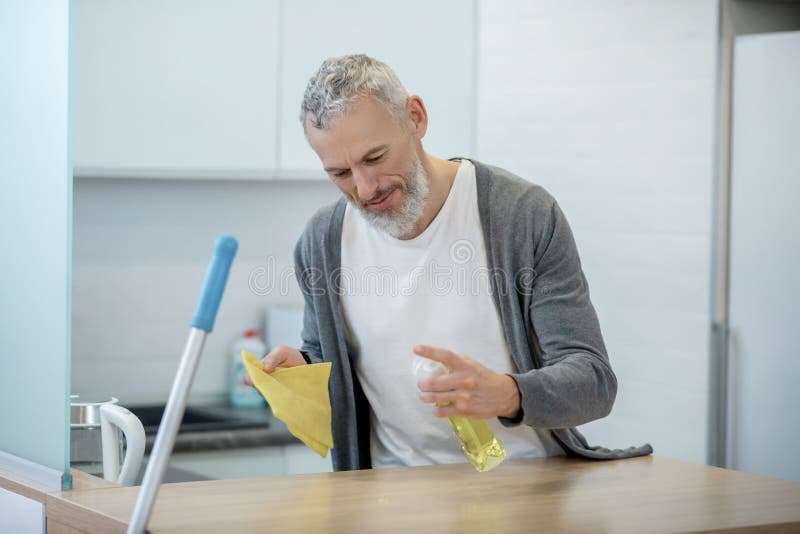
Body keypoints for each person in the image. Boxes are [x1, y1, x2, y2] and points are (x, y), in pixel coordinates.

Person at [255, 54, 651, 470]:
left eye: (374, 158)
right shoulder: (323, 242)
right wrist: (300, 373)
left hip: (527, 488)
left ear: (415, 117)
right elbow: (327, 361)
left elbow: (593, 382)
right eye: (340, 173)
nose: (365, 188)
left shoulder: (521, 216)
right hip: (391, 498)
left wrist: (506, 393)